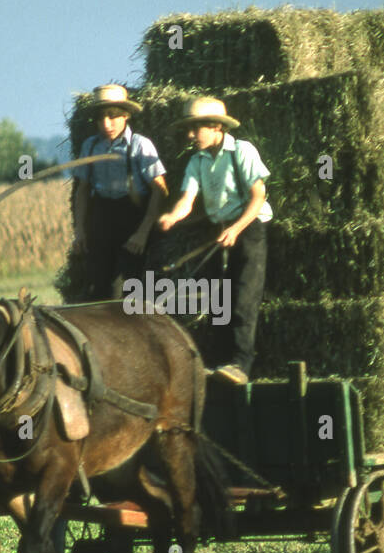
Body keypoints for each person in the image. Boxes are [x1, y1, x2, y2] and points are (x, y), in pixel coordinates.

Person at [157, 96, 271, 385]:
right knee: (219, 298)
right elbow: (187, 199)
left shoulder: (241, 151)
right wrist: (172, 217)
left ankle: (241, 366)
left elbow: (259, 197)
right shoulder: (197, 161)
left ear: (217, 127)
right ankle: (221, 363)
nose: (190, 135)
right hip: (220, 229)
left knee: (244, 297)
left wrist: (236, 229)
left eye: (196, 129)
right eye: (189, 130)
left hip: (249, 226)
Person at [72, 85, 167, 300]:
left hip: (131, 219)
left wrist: (143, 232)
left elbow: (160, 190)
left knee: (120, 290)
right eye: (101, 118)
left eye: (113, 116)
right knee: (96, 287)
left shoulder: (140, 145)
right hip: (101, 217)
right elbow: (82, 190)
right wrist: (79, 230)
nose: (106, 124)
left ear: (126, 115)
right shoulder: (90, 146)